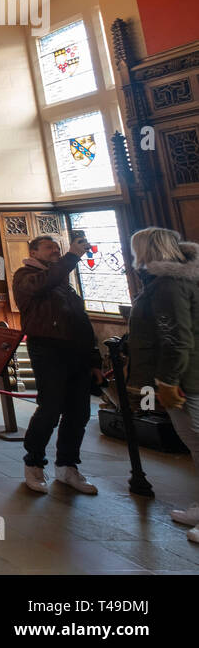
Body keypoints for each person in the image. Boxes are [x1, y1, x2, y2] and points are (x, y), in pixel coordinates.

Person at [12, 234, 102, 494]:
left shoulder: (62, 280)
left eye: (57, 248)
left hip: (76, 353)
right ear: (33, 251)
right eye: (49, 247)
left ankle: (67, 466)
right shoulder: (25, 276)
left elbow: (81, 322)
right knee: (50, 409)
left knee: (79, 412)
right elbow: (42, 285)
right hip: (48, 350)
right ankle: (34, 464)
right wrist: (72, 256)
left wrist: (94, 360)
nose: (55, 251)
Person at [126, 228, 199, 543]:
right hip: (186, 375)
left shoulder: (168, 285)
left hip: (188, 379)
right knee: (195, 445)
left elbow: (176, 339)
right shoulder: (174, 280)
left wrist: (167, 380)